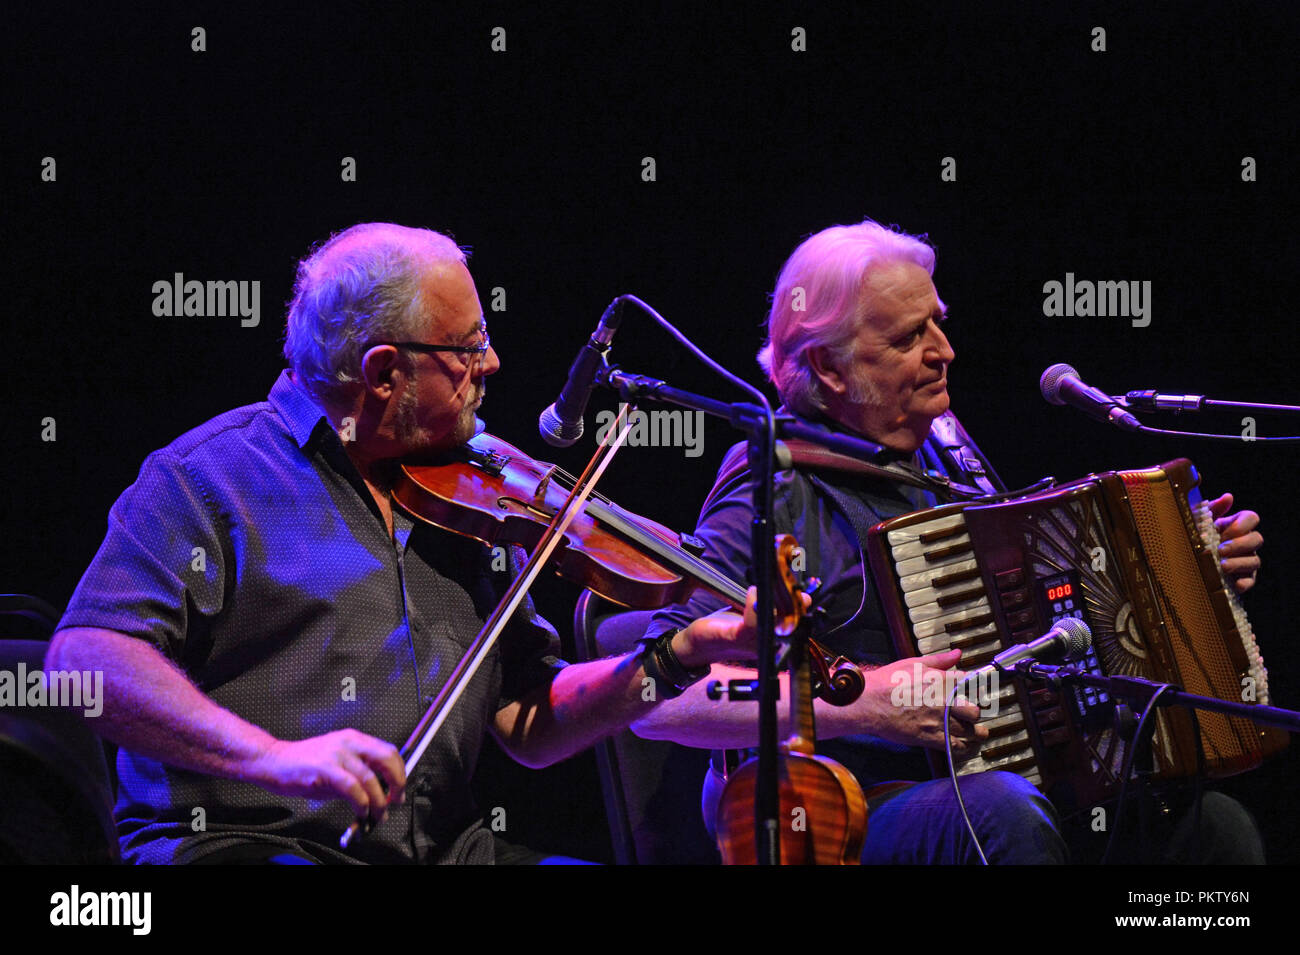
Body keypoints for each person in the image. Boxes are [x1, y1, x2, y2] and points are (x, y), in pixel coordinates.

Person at [45, 222, 758, 865]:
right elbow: (85, 660)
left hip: (449, 852)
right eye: (468, 348)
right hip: (245, 844)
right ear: (386, 372)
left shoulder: (479, 498)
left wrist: (672, 656)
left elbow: (530, 718)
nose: (494, 363)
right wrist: (274, 758)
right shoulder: (210, 479)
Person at [634, 220, 1266, 864]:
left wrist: (1186, 568)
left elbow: (1054, 604)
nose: (944, 351)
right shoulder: (772, 487)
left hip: (1005, 786)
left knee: (1212, 828)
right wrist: (857, 707)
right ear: (828, 366)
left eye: (937, 322)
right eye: (910, 337)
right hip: (844, 809)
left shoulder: (945, 451)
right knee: (1002, 815)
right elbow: (657, 698)